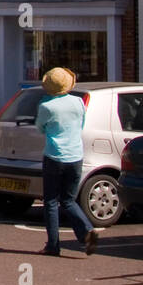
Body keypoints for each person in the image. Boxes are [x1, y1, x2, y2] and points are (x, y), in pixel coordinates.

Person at [34, 67, 98, 257]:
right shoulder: (78, 102)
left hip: (54, 156)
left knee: (51, 202)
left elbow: (40, 128)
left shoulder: (46, 106)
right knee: (68, 200)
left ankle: (53, 245)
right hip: (76, 155)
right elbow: (82, 123)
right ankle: (87, 230)